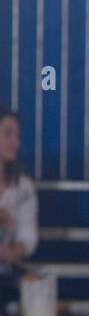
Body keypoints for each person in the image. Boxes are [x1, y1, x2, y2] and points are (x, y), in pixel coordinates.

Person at [0, 107, 39, 272]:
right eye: (8, 134)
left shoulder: (23, 187)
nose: (15, 142)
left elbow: (29, 237)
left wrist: (12, 251)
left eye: (17, 135)